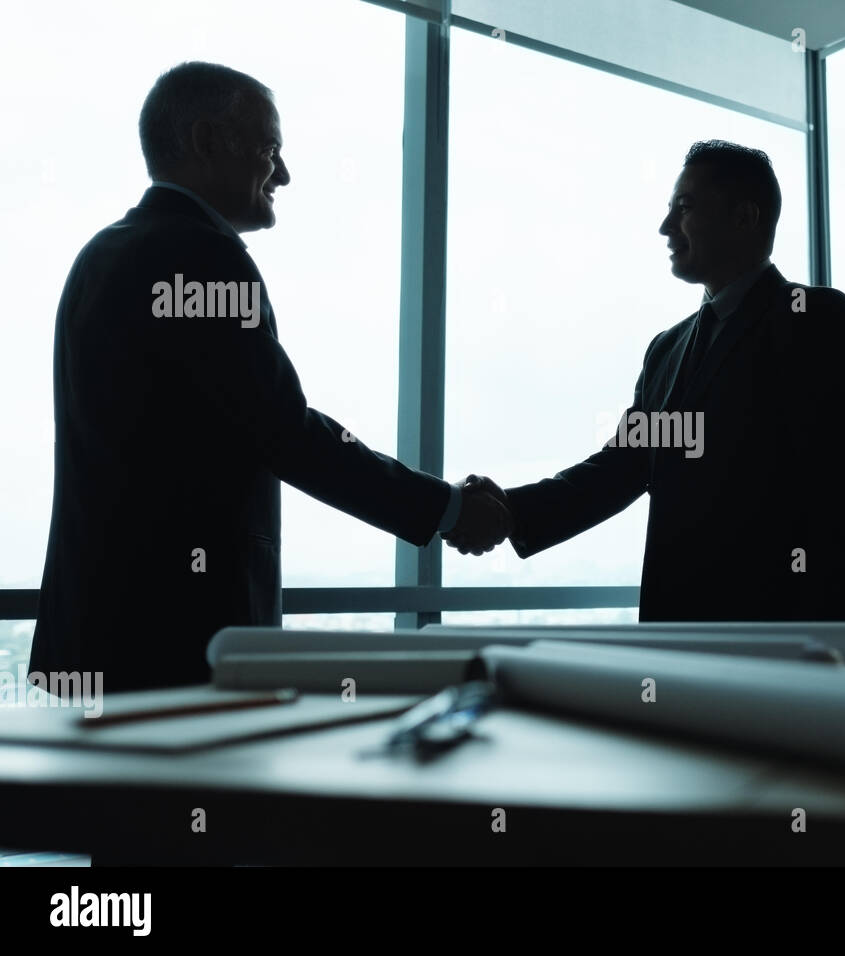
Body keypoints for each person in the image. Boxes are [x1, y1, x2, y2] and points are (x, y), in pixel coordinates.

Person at [31, 62, 509, 693]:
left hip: (93, 635)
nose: (282, 173)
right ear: (205, 141)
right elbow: (285, 432)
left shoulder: (100, 255)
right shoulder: (202, 257)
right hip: (175, 640)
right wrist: (448, 509)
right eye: (269, 150)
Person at [447, 140, 845, 621]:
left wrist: (834, 636)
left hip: (780, 642)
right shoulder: (665, 351)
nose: (665, 228)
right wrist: (511, 509)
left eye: (685, 207)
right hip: (673, 634)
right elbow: (623, 467)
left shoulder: (815, 320)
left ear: (744, 217)